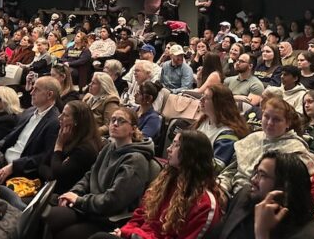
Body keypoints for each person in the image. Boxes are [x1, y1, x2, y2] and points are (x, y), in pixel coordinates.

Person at [90, 130, 224, 239]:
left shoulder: (205, 204)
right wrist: (125, 231)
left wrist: (131, 235)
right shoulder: (166, 181)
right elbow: (140, 214)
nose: (169, 149)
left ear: (191, 154)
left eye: (176, 145)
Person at [46, 108, 154, 239]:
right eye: (112, 120)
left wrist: (79, 201)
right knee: (47, 219)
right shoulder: (108, 147)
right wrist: (74, 193)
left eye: (121, 121)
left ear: (133, 128)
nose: (114, 124)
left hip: (106, 218)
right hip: (87, 207)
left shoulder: (135, 160)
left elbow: (113, 200)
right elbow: (90, 175)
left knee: (65, 235)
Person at [210, 151, 314, 239]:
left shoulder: (311, 235)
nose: (253, 180)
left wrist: (262, 234)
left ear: (284, 187)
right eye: (256, 173)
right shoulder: (244, 196)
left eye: (263, 175)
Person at [225, 97, 314, 194]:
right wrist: (222, 189)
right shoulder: (252, 138)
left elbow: (299, 188)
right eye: (266, 116)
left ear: (287, 123)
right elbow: (230, 172)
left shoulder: (295, 150)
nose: (270, 123)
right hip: (233, 194)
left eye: (276, 119)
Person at [0, 76, 60, 184]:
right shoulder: (29, 112)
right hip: (2, 160)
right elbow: (9, 138)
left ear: (49, 95)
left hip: (20, 171)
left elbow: (45, 156)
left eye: (36, 89)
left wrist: (14, 166)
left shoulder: (55, 121)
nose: (31, 93)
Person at [193, 84, 250, 170]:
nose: (201, 100)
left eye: (207, 98)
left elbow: (216, 168)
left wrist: (187, 158)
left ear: (218, 103)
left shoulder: (228, 134)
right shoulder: (204, 120)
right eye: (202, 96)